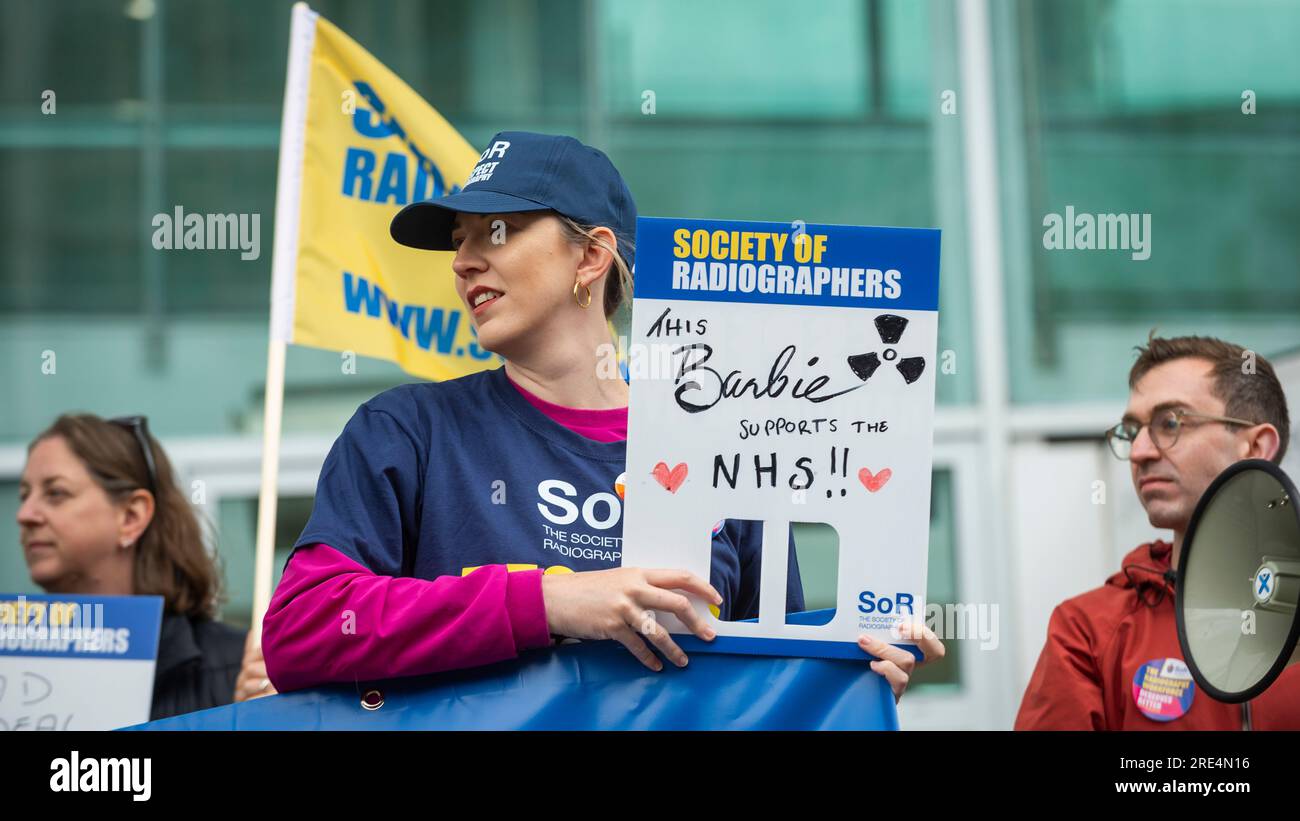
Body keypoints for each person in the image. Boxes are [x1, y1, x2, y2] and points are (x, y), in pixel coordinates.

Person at [262, 131, 942, 702]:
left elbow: (772, 688)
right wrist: (547, 603)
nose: (464, 261)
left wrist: (855, 680)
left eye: (496, 232)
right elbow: (302, 629)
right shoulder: (403, 431)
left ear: (591, 256)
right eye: (460, 241)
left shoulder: (729, 436)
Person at [1016, 334, 1300, 729]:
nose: (1139, 452)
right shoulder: (1088, 629)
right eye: (1133, 431)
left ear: (1254, 446)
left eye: (1171, 423)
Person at [16, 413, 275, 721]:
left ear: (131, 516)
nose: (25, 514)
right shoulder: (16, 671)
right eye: (24, 495)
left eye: (56, 493)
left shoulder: (242, 671)